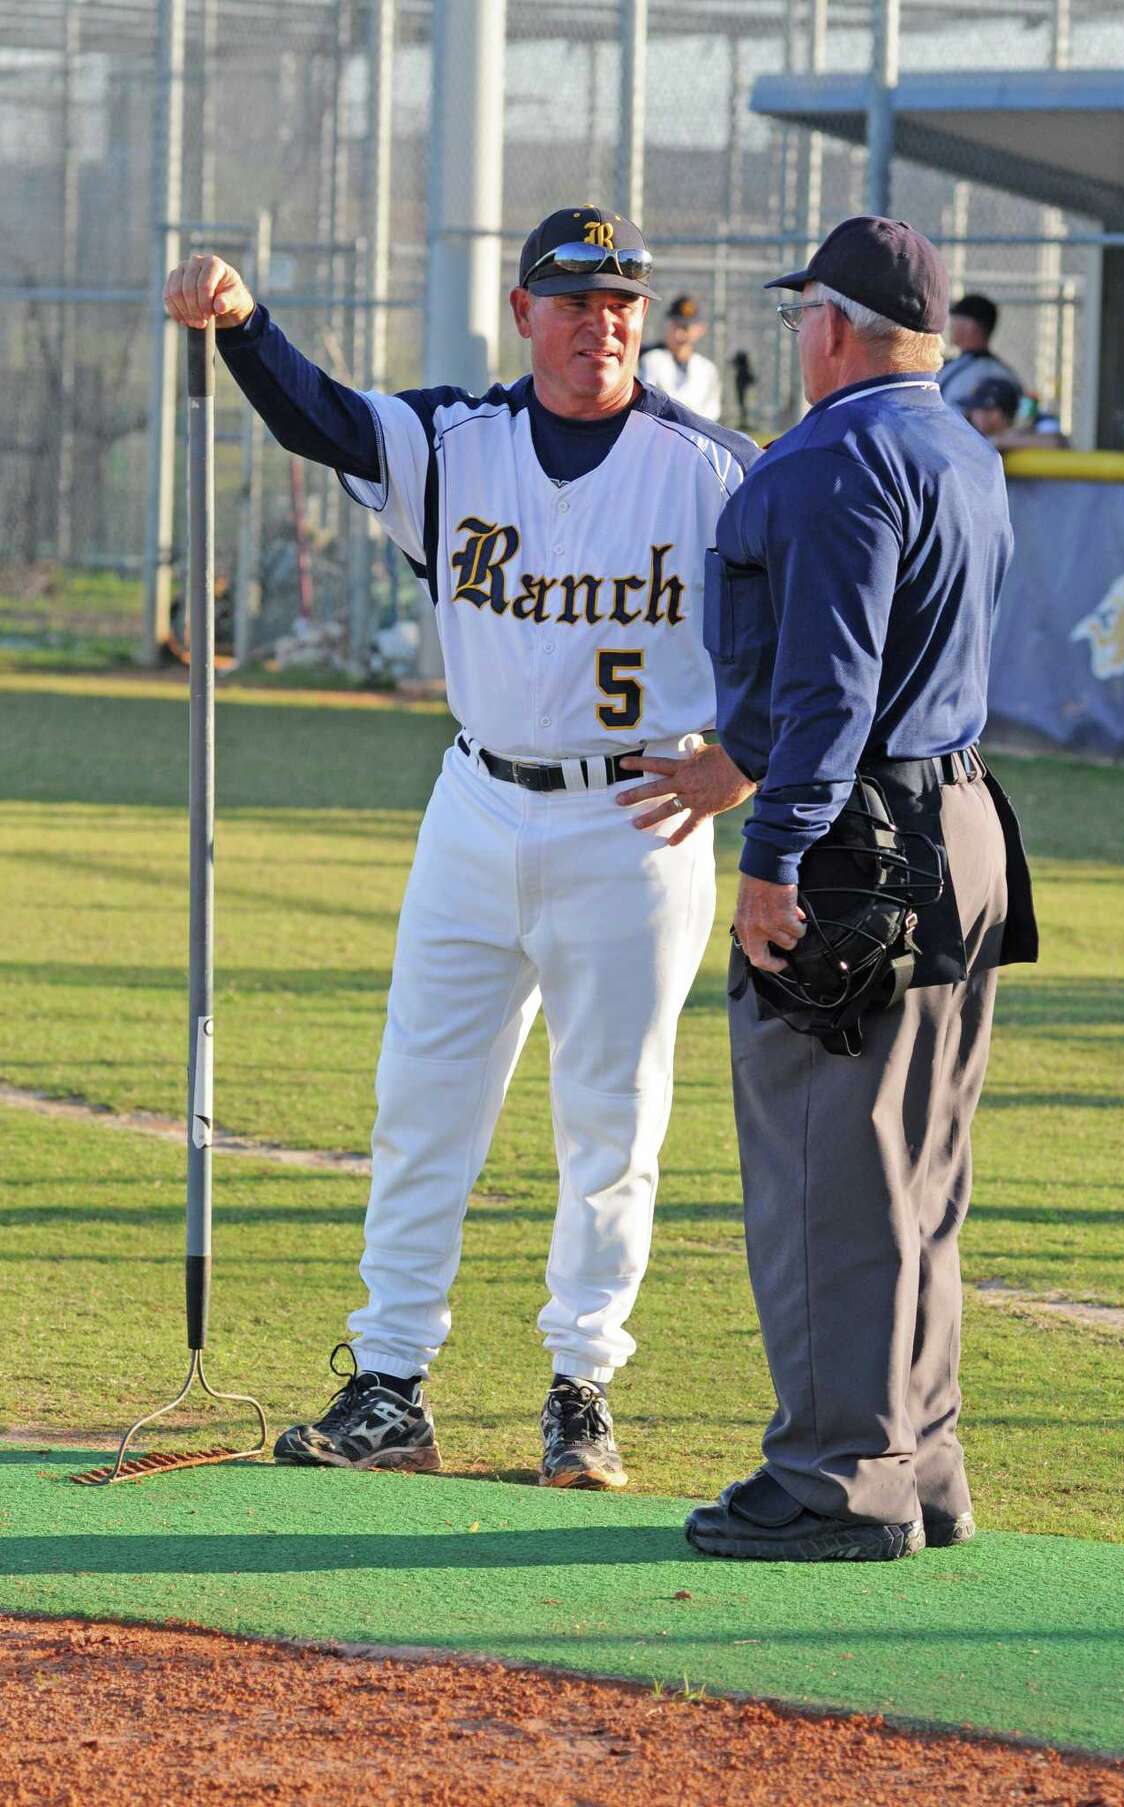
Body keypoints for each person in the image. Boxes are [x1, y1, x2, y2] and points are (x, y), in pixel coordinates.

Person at [163, 206, 757, 1489]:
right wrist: (245, 324)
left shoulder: (712, 468)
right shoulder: (454, 440)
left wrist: (745, 760)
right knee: (422, 1101)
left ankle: (582, 1387)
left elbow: (811, 626)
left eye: (622, 303)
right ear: (524, 311)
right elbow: (319, 418)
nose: (602, 324)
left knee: (613, 1119)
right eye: (576, 300)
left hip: (634, 817)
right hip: (478, 805)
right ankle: (390, 1380)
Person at [685, 215, 1038, 1562]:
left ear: (833, 323)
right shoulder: (964, 447)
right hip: (964, 818)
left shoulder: (834, 458)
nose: (798, 336)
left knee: (827, 1168)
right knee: (921, 1169)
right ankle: (922, 1459)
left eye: (802, 316)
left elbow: (826, 692)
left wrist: (773, 857)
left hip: (857, 839)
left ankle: (840, 1475)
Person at [638, 294, 722, 420]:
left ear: (700, 329)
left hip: (696, 429)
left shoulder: (707, 369)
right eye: (675, 325)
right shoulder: (651, 360)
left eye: (685, 327)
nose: (679, 334)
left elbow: (712, 411)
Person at [937, 291, 1022, 413]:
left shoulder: (992, 373)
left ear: (972, 327)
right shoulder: (954, 363)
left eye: (957, 319)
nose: (951, 325)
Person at [967, 376, 1068, 450]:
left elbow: (1057, 442)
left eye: (975, 408)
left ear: (995, 414)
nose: (971, 413)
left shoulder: (1042, 423)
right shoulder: (974, 433)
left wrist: (998, 442)